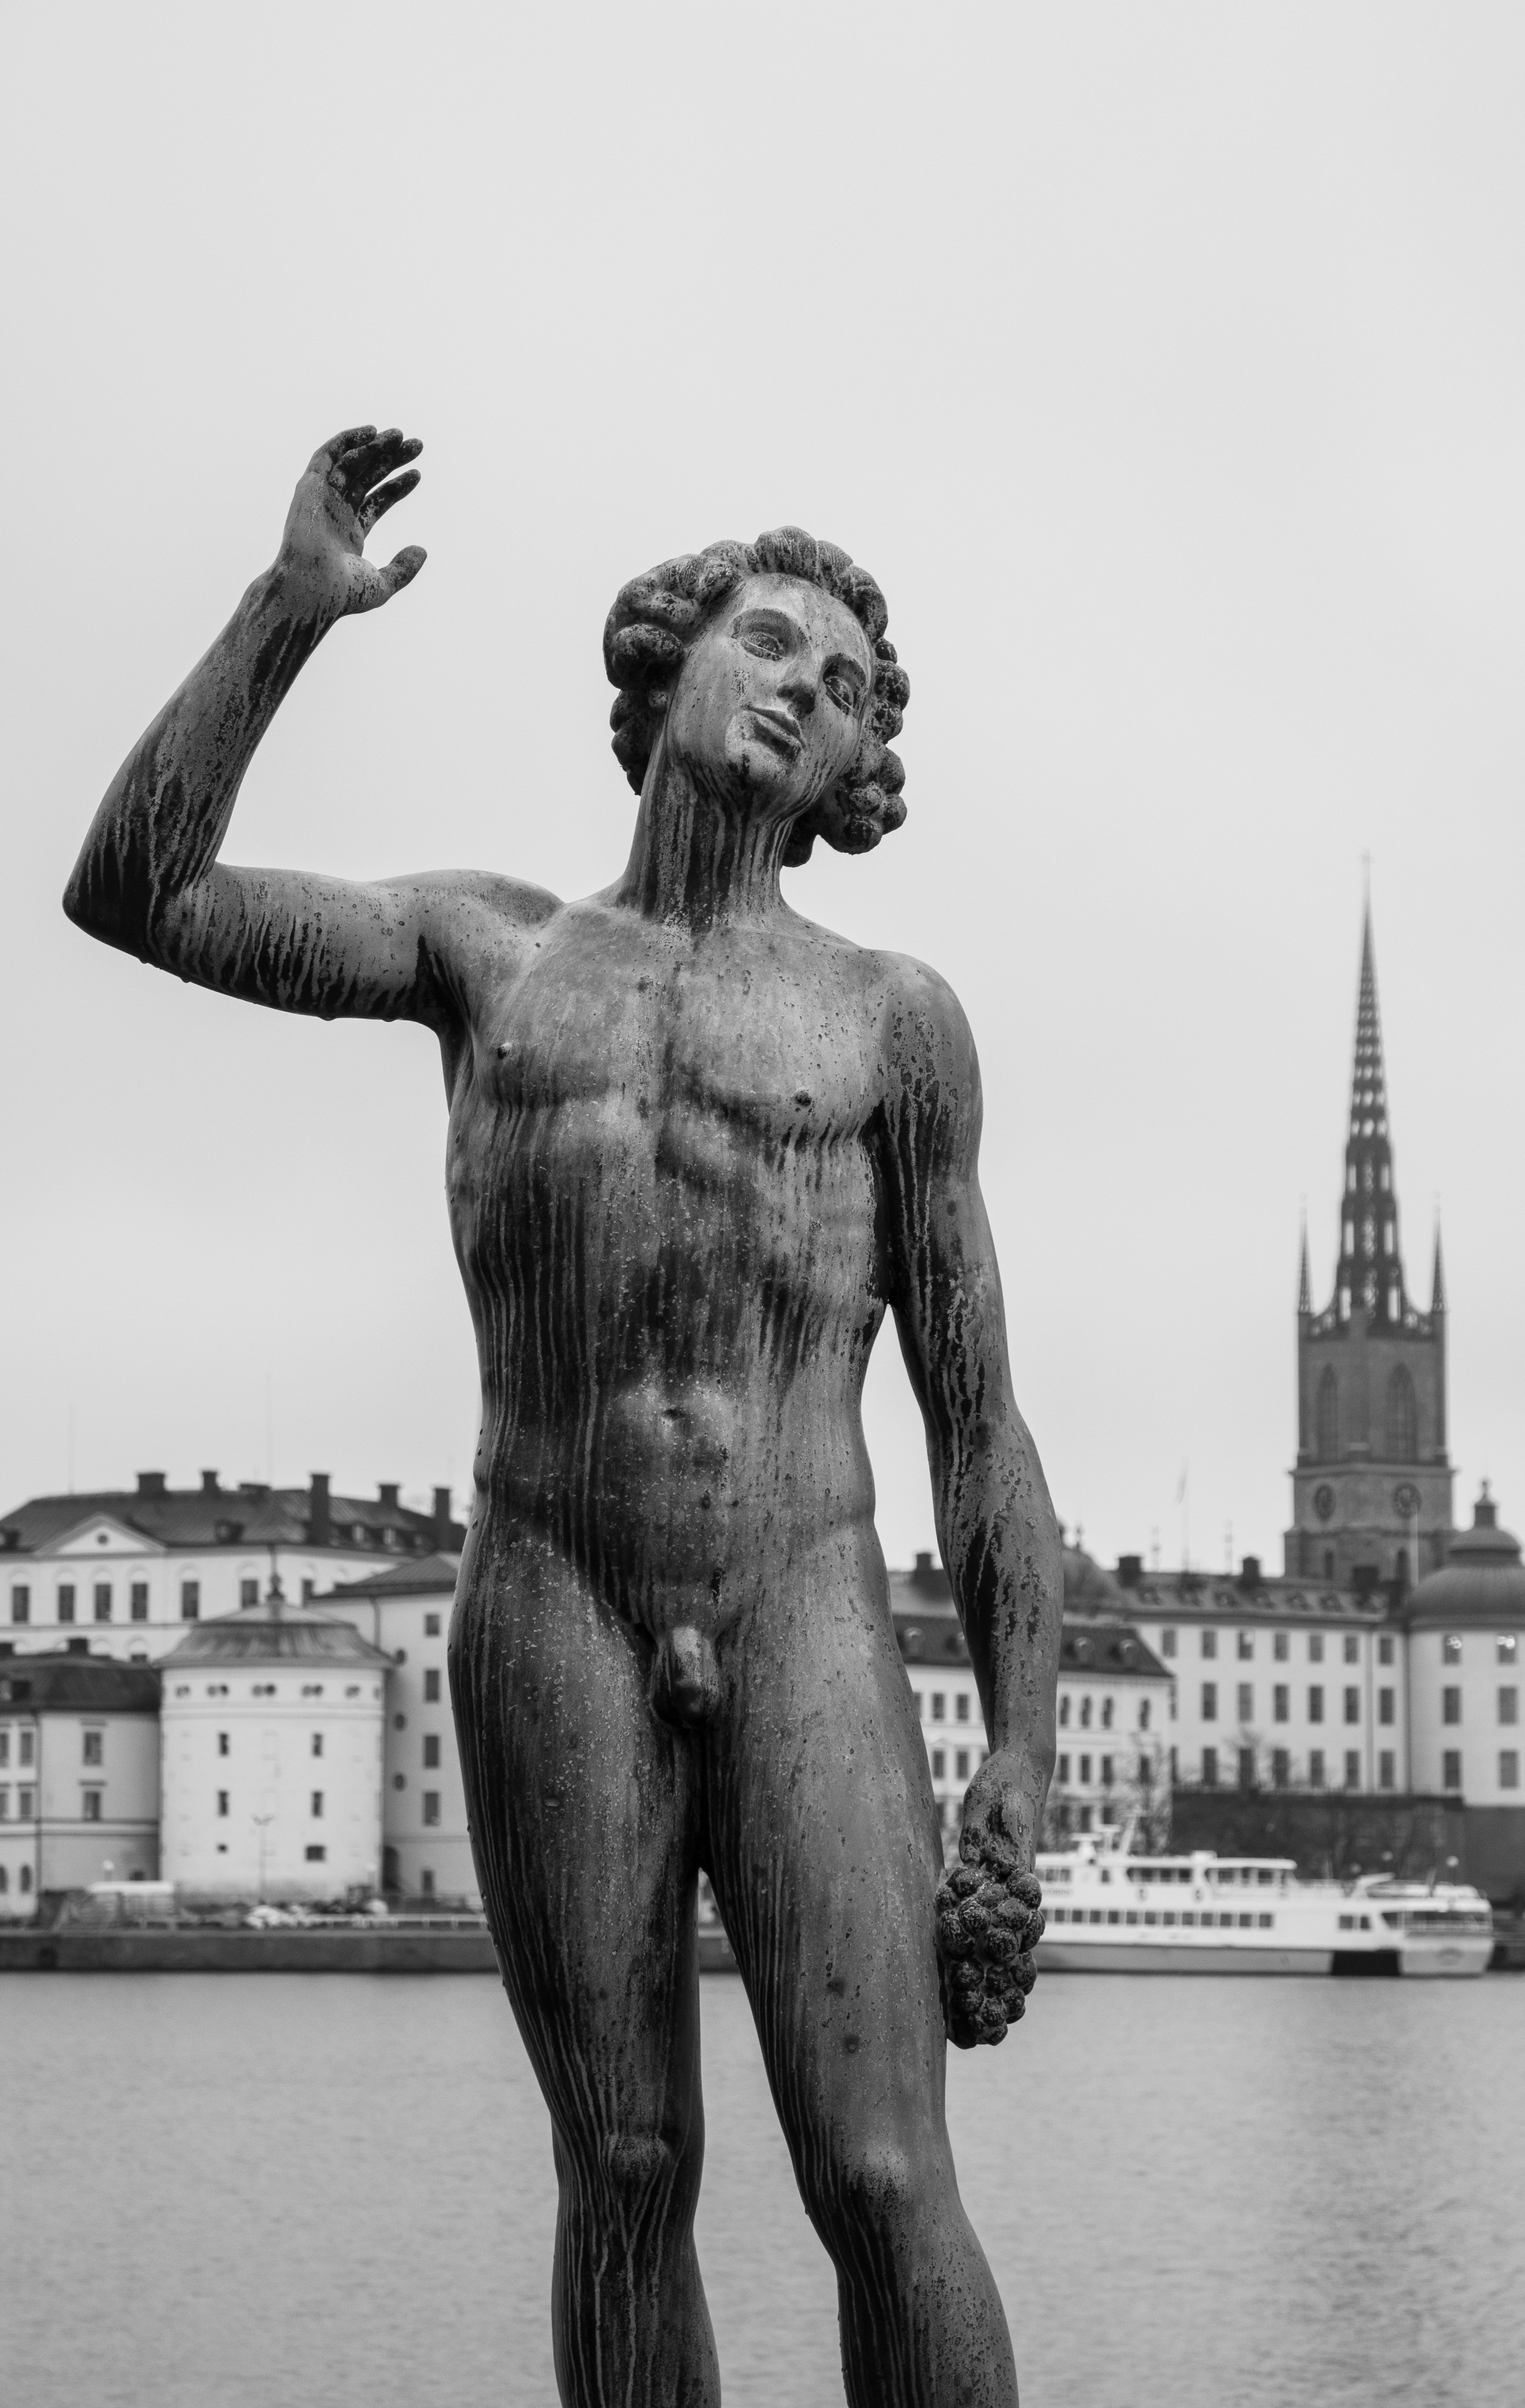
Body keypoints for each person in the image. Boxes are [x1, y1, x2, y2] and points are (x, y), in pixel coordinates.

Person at [66, 426, 1062, 2408]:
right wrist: (290, 613)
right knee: (619, 2173)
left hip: (804, 1594)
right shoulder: (489, 953)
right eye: (770, 642)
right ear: (669, 663)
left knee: (883, 2174)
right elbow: (138, 891)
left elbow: (981, 1419)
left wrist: (1022, 1752)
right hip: (551, 1601)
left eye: (845, 687)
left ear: (854, 771)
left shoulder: (893, 1022)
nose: (802, 690)